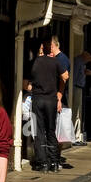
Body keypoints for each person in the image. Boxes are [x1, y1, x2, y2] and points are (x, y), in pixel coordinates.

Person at [23, 40, 64, 173]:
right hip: (51, 100)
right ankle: (54, 162)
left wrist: (35, 86)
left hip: (38, 99)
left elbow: (25, 85)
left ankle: (43, 163)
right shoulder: (55, 62)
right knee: (51, 130)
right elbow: (65, 76)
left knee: (39, 131)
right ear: (50, 49)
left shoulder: (33, 63)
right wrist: (58, 91)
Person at [49, 36, 72, 167]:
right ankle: (55, 157)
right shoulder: (58, 58)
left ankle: (55, 157)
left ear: (52, 45)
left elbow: (63, 80)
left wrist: (59, 98)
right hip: (58, 97)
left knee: (58, 130)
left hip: (59, 98)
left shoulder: (61, 59)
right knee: (57, 129)